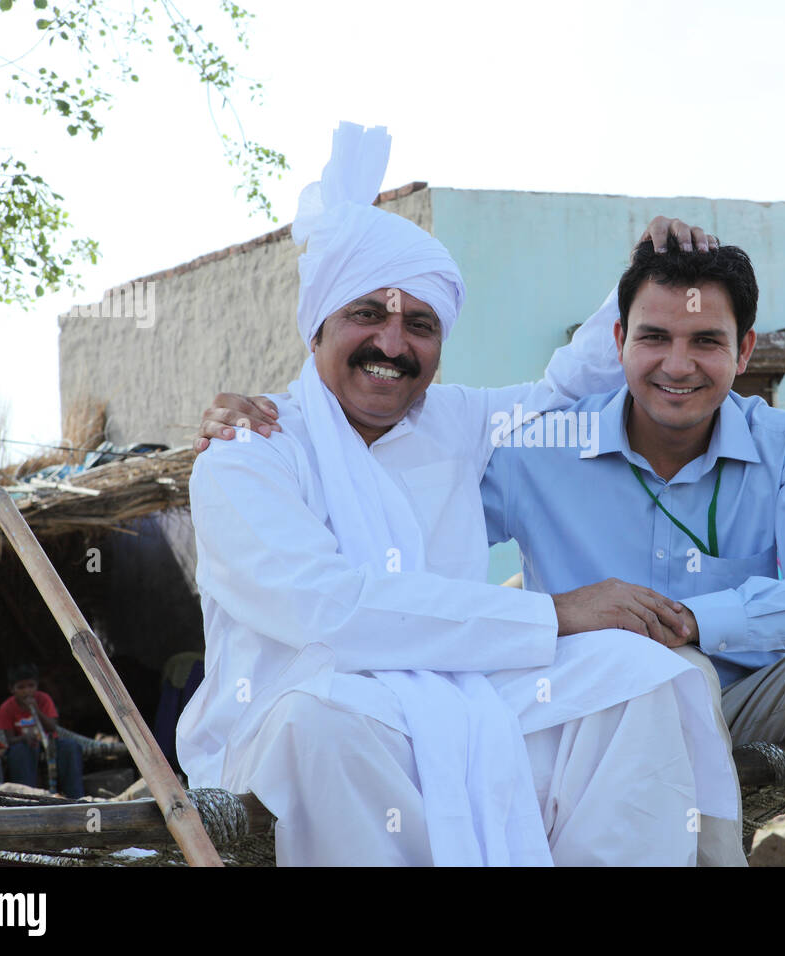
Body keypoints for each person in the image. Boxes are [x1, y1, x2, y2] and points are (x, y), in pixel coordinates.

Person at [204, 238, 785, 866]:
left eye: (706, 341)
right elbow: (390, 519)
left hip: (762, 685)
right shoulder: (534, 448)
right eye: (654, 338)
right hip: (605, 701)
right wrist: (276, 418)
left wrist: (697, 620)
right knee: (661, 667)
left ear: (745, 351)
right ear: (618, 344)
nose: (678, 365)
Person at [176, 122, 738, 867]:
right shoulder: (251, 447)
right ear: (317, 329)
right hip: (303, 711)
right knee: (321, 721)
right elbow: (326, 613)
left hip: (461, 694)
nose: (392, 343)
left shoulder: (453, 422)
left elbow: (564, 392)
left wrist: (643, 275)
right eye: (367, 314)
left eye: (420, 323)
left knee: (640, 679)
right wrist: (555, 613)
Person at [0, 664, 84, 797]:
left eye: (31, 686)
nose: (27, 691)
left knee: (71, 747)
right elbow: (10, 739)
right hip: (25, 745)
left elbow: (52, 728)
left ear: (37, 686)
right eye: (21, 687)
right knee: (19, 752)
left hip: (49, 743)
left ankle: (75, 796)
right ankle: (26, 797)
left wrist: (36, 710)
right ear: (12, 689)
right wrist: (24, 738)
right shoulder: (7, 708)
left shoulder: (44, 699)